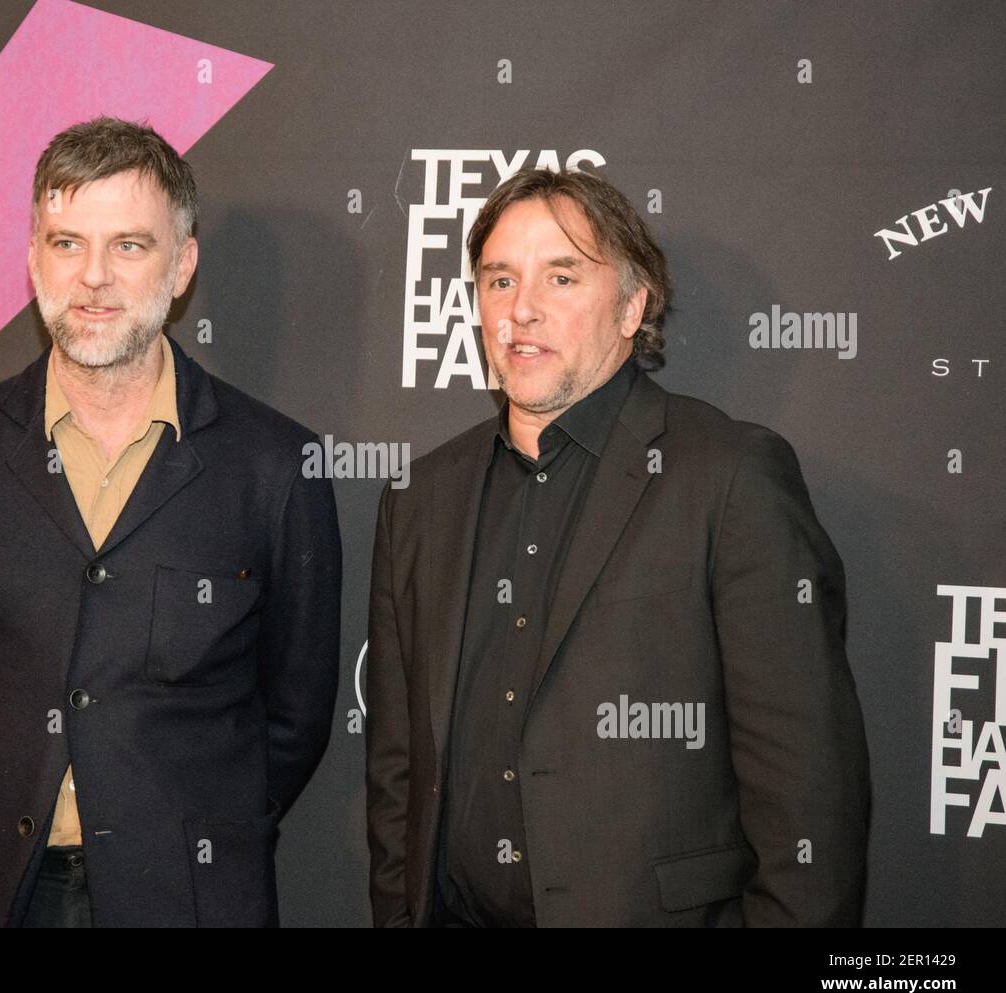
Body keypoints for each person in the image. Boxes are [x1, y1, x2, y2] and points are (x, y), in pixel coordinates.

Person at [365, 167, 870, 927]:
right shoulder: (421, 497)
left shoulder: (730, 477)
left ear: (633, 306)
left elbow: (807, 792)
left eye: (561, 277)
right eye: (499, 281)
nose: (521, 310)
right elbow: (399, 769)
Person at [0, 116, 341, 927]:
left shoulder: (276, 467)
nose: (92, 277)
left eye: (129, 245)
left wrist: (183, 827)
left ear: (183, 264)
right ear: (33, 258)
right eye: (66, 243)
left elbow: (295, 714)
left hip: (190, 897)